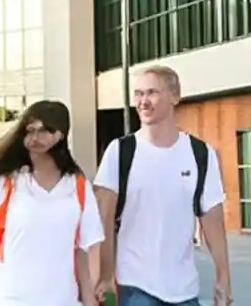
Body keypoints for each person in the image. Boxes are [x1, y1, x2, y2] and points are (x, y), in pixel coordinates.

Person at [94, 65, 232, 306]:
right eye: (138, 94)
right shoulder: (120, 152)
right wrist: (105, 277)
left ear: (175, 97)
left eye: (151, 93)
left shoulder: (200, 154)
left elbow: (212, 221)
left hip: (185, 290)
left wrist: (223, 277)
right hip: (135, 287)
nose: (143, 101)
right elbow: (103, 219)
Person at [0, 100, 103, 306]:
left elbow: (82, 251)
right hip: (8, 300)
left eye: (44, 130)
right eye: (29, 130)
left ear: (60, 134)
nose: (35, 138)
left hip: (62, 301)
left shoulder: (77, 186)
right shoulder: (6, 185)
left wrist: (89, 299)